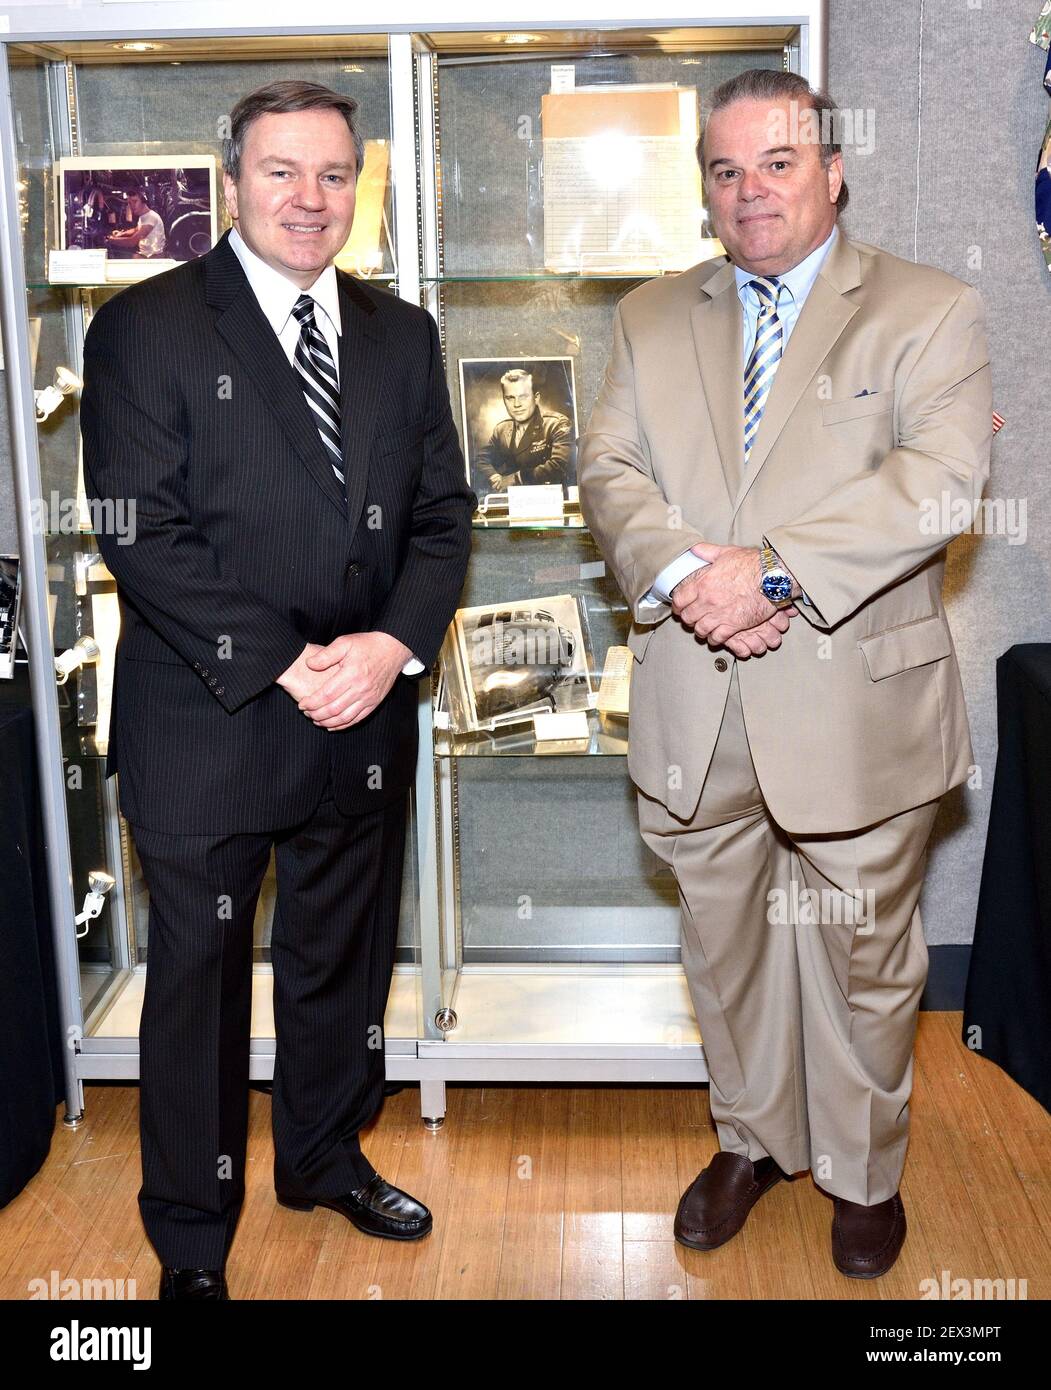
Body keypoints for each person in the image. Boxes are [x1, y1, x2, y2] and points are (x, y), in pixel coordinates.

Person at [579, 67, 991, 1279]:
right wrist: (681, 575)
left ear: (832, 168)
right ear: (701, 186)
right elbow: (609, 471)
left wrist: (763, 575)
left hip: (855, 709)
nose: (750, 191)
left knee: (867, 957)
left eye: (776, 163)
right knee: (727, 948)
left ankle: (864, 1173)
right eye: (724, 169)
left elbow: (940, 480)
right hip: (694, 705)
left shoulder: (928, 307)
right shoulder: (650, 315)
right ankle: (751, 1140)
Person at [80, 79, 475, 1300]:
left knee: (339, 962)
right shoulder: (144, 326)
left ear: (361, 186)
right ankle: (192, 1235)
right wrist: (292, 659)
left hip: (361, 715)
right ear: (230, 180)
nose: (310, 201)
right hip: (211, 718)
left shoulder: (401, 334)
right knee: (196, 985)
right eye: (281, 172)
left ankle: (321, 1156)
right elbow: (134, 527)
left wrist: (389, 649)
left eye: (335, 175)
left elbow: (442, 517)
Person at [475, 367, 575, 492]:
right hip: (512, 502)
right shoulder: (501, 430)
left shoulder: (556, 424)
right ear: (504, 400)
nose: (517, 404)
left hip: (549, 500)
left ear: (536, 398)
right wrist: (494, 476)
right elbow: (480, 460)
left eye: (523, 397)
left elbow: (559, 465)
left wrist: (516, 479)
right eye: (510, 398)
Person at [106, 188, 166, 258]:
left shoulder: (151, 217)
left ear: (143, 201)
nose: (132, 205)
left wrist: (111, 240)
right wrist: (121, 234)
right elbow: (136, 229)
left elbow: (132, 242)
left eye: (135, 201)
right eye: (130, 203)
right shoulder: (143, 217)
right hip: (145, 254)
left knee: (117, 255)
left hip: (153, 258)